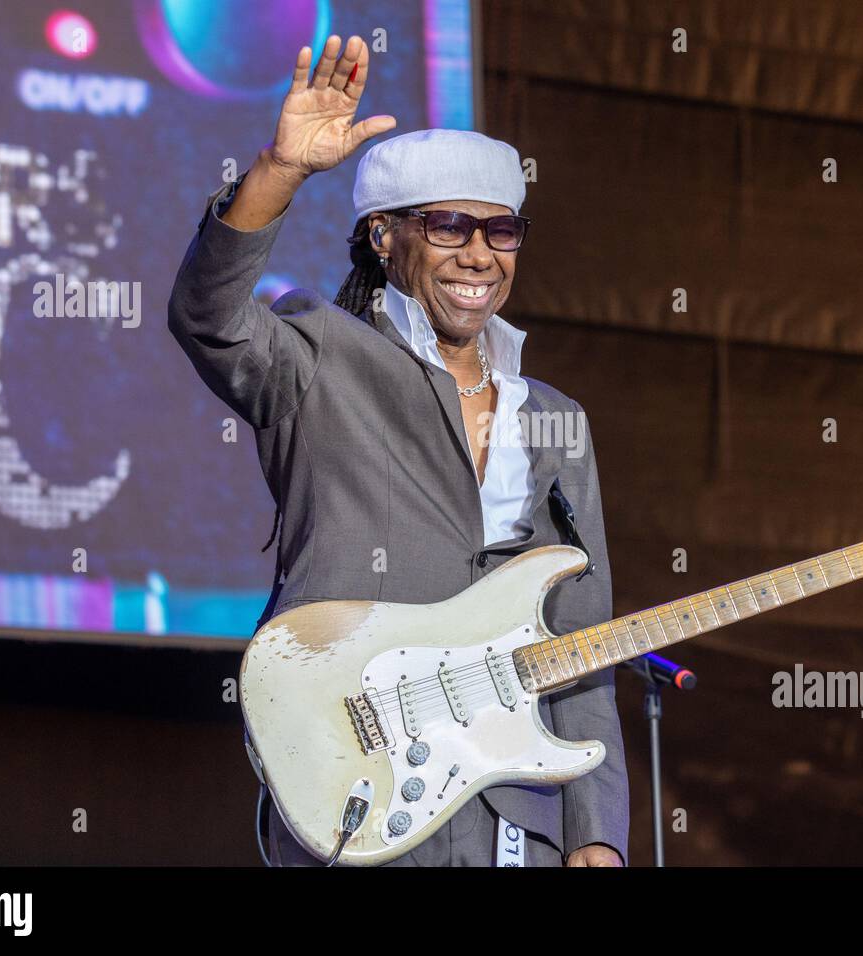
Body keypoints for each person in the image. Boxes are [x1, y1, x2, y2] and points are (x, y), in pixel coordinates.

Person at [168, 35, 628, 867]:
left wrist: (596, 833)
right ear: (384, 237)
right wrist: (281, 168)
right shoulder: (320, 357)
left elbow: (581, 637)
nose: (479, 254)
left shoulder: (556, 418)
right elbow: (209, 318)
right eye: (449, 226)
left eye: (503, 230)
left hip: (513, 803)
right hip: (359, 784)